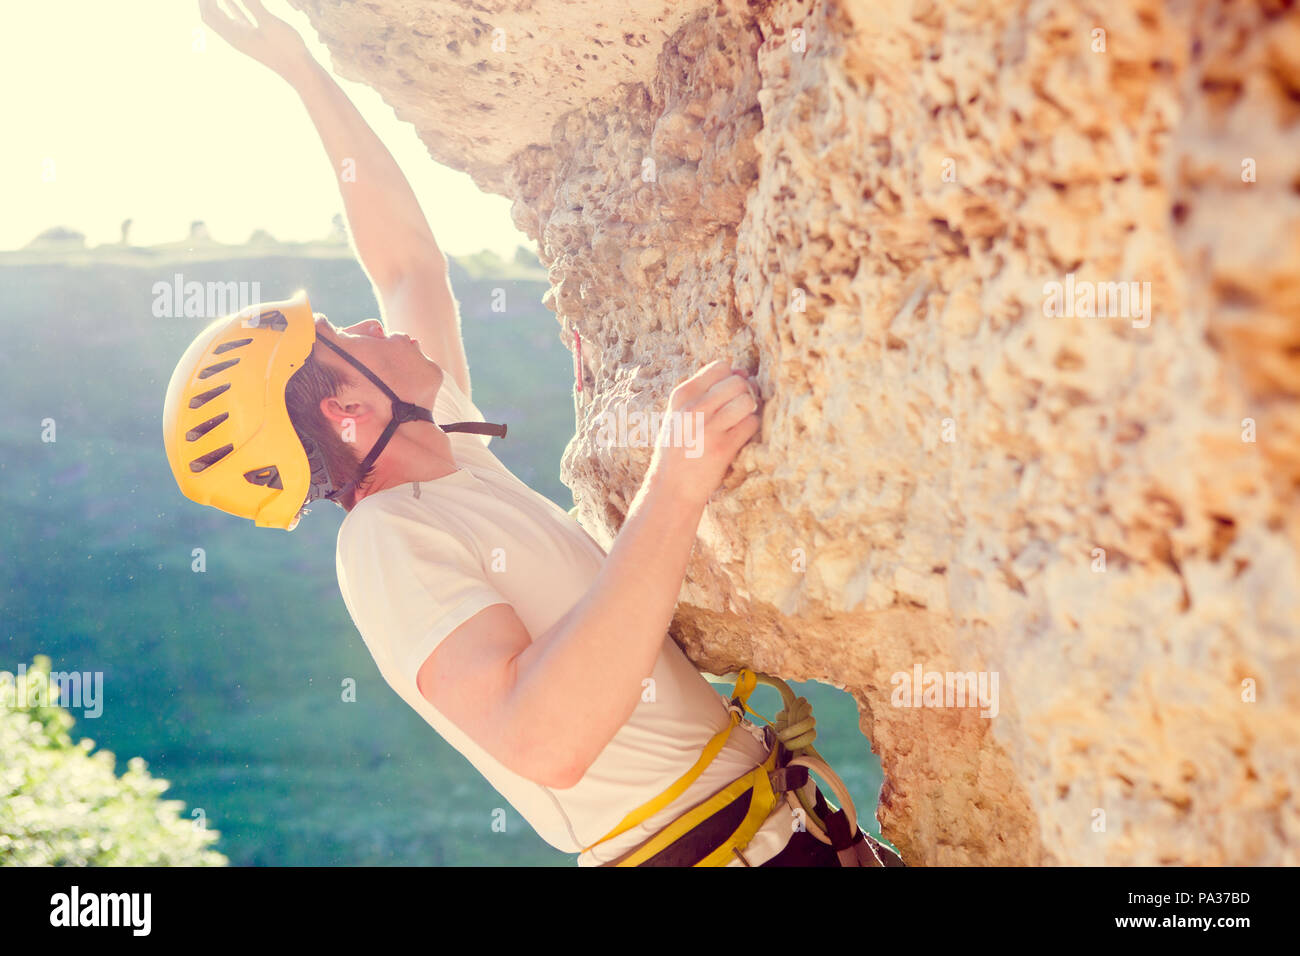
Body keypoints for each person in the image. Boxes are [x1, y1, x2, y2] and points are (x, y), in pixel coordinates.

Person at [169, 0, 901, 867]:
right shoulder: (388, 540)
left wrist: (304, 73)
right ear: (346, 412)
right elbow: (544, 741)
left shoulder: (444, 457)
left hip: (774, 830)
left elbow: (406, 265)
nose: (370, 324)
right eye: (343, 338)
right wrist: (677, 483)